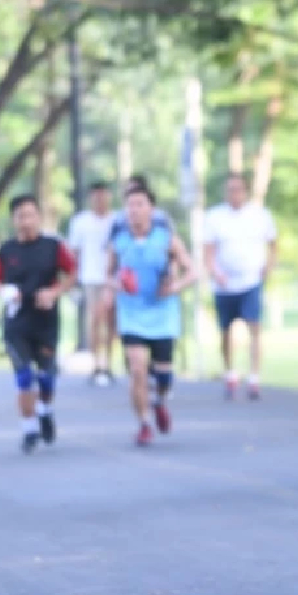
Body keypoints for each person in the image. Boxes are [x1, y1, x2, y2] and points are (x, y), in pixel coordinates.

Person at [110, 182, 196, 446]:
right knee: (137, 369)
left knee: (163, 378)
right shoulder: (119, 240)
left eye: (140, 204)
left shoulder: (166, 239)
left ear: (151, 208)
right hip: (132, 313)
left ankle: (159, 400)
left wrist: (175, 288)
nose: (134, 210)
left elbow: (192, 272)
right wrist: (117, 283)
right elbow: (107, 275)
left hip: (162, 314)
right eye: (130, 205)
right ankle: (144, 423)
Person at [0, 194, 77, 454]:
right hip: (17, 322)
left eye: (30, 215)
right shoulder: (7, 250)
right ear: (13, 220)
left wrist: (54, 293)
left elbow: (72, 273)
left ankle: (45, 410)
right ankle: (28, 428)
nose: (26, 221)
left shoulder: (53, 246)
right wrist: (5, 292)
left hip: (46, 321)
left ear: (39, 217)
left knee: (47, 377)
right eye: (20, 216)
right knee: (24, 375)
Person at [201, 171, 278, 400]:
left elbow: (273, 245)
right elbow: (208, 252)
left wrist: (268, 267)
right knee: (226, 331)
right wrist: (216, 272)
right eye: (230, 189)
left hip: (250, 280)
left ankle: (254, 377)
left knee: (254, 326)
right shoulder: (215, 217)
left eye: (238, 189)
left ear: (245, 191)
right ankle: (230, 372)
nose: (234, 194)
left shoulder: (259, 215)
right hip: (224, 284)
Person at [66, 181, 121, 386]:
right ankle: (97, 364)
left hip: (115, 279)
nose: (99, 200)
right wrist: (73, 279)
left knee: (112, 322)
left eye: (103, 195)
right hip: (91, 277)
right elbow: (74, 252)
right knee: (95, 320)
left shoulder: (117, 220)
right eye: (95, 196)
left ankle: (108, 362)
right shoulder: (81, 222)